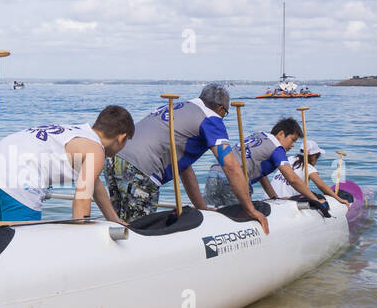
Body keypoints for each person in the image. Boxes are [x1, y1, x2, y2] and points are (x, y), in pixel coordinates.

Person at [103, 83, 268, 232]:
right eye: (226, 113)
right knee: (139, 229)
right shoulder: (211, 118)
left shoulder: (178, 108)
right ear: (220, 109)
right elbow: (230, 165)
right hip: (141, 168)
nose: (223, 117)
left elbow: (183, 168)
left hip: (114, 158)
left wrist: (201, 208)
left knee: (119, 224)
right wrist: (250, 209)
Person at [0, 105, 135, 222]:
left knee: (5, 233)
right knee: (23, 240)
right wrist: (84, 239)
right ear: (122, 137)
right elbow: (81, 200)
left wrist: (114, 221)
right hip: (19, 178)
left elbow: (96, 187)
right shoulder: (96, 150)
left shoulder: (77, 133)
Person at [203, 117, 329, 212]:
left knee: (215, 214)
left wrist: (274, 198)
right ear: (281, 134)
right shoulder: (277, 148)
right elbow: (293, 179)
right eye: (292, 140)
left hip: (213, 174)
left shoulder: (259, 135)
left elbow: (262, 175)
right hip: (234, 180)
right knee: (240, 217)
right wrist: (315, 200)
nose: (292, 145)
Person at [265, 140, 350, 205]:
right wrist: (338, 199)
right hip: (284, 201)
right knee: (314, 196)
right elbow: (321, 185)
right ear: (313, 157)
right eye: (317, 157)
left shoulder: (288, 159)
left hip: (268, 198)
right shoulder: (309, 168)